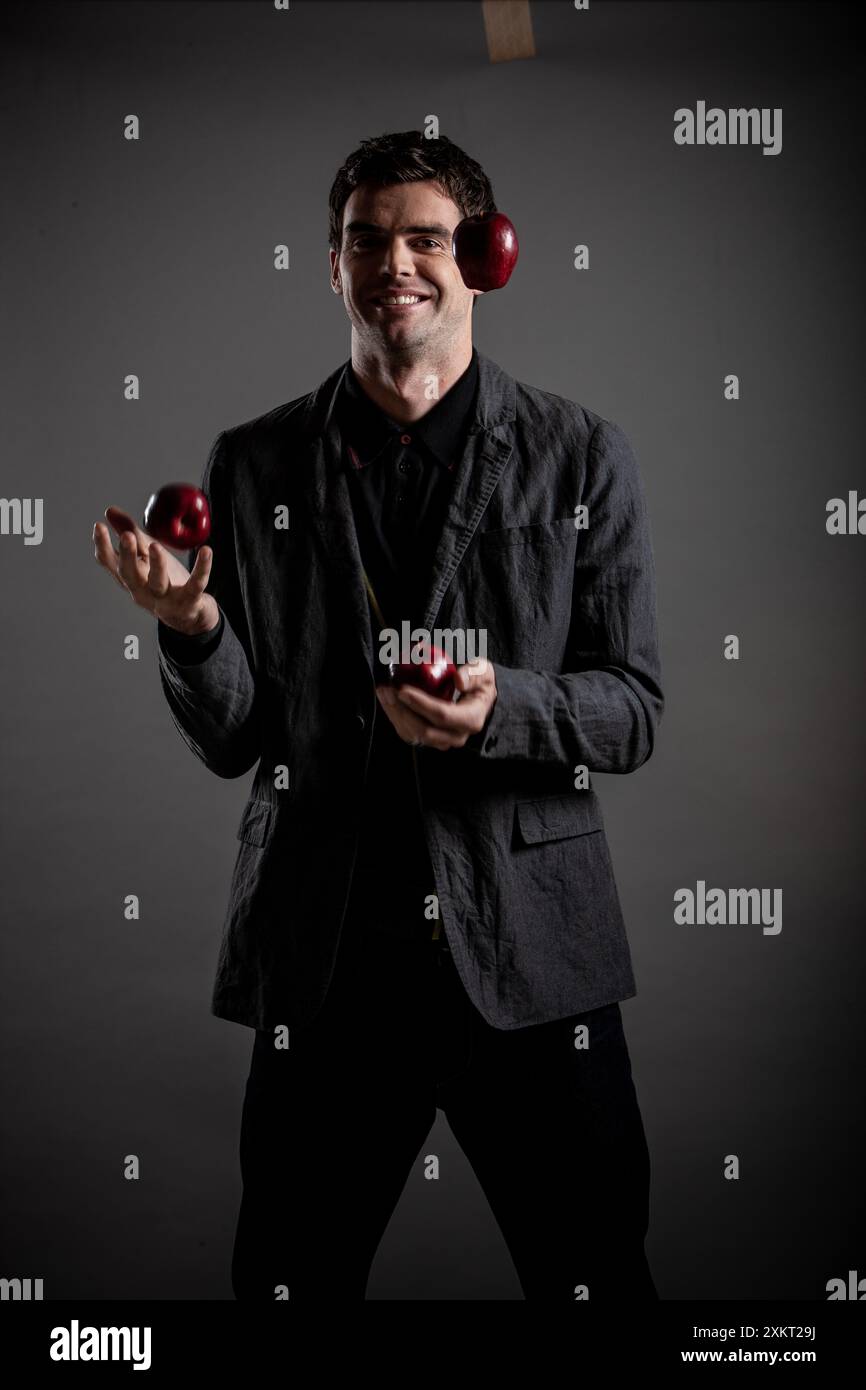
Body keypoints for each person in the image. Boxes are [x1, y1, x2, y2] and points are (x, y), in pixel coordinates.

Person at [92, 130, 664, 1302]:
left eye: (423, 237)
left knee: (595, 1280)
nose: (392, 262)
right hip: (328, 959)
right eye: (365, 239)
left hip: (528, 956)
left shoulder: (580, 456)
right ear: (333, 263)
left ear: (485, 259)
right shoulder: (251, 465)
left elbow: (632, 710)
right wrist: (194, 627)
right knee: (288, 1282)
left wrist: (503, 706)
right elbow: (235, 740)